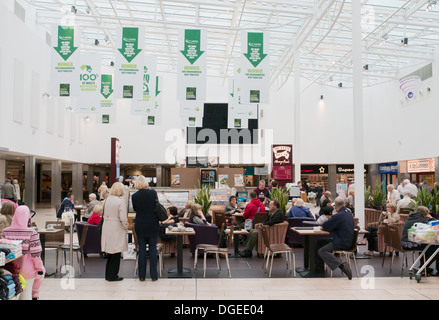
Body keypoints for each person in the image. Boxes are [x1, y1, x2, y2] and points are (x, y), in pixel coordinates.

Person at [2, 205, 45, 300]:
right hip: (27, 271)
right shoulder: (31, 232)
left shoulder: (6, 231)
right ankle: (35, 294)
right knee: (26, 296)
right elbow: (36, 255)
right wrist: (40, 268)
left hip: (11, 270)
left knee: (13, 296)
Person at [315, 197, 354, 280]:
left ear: (335, 206)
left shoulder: (339, 215)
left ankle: (342, 266)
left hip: (341, 241)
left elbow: (325, 225)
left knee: (322, 251)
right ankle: (319, 268)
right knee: (320, 242)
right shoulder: (349, 213)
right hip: (348, 240)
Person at [131, 175, 159, 282]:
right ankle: (154, 275)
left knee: (141, 249)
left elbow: (135, 209)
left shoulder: (134, 196)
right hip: (152, 223)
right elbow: (157, 206)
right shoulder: (153, 193)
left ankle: (141, 276)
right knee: (152, 248)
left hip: (140, 223)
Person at [101, 182, 129, 282]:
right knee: (116, 253)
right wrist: (126, 226)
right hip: (116, 227)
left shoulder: (107, 199)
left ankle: (108, 275)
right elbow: (123, 217)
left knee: (110, 253)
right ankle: (113, 276)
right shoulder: (120, 201)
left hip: (107, 226)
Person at [401, 206, 438, 274]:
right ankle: (423, 268)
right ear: (426, 214)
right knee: (435, 248)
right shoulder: (421, 220)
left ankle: (423, 267)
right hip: (410, 243)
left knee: (427, 246)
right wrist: (431, 218)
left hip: (405, 242)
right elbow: (435, 223)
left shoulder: (412, 217)